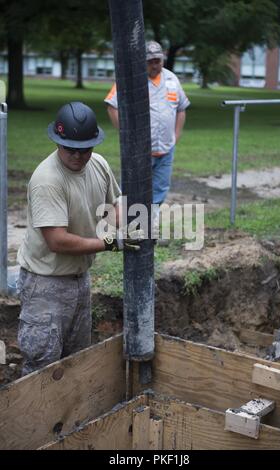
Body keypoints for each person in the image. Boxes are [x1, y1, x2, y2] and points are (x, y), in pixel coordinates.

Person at [17, 101, 142, 375]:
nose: (77, 155)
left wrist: (135, 221)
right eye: (70, 148)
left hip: (79, 279)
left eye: (84, 149)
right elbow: (57, 241)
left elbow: (112, 209)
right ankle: (35, 417)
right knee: (43, 367)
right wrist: (111, 243)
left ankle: (72, 418)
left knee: (76, 361)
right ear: (57, 142)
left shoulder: (97, 164)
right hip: (45, 285)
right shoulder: (47, 180)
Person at [104, 41, 190, 233]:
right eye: (150, 61)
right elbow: (112, 105)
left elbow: (182, 108)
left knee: (160, 188)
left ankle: (150, 223)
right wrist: (125, 135)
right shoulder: (131, 77)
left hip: (166, 149)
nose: (154, 65)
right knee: (133, 187)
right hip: (139, 150)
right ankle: (129, 223)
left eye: (157, 60)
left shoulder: (172, 79)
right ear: (142, 61)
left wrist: (176, 135)